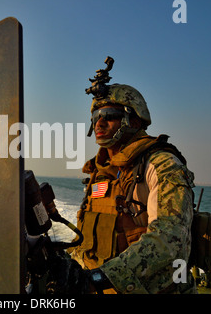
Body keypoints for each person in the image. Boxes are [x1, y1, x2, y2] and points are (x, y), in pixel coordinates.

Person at [66, 77, 197, 294]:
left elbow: (169, 241)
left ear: (134, 120)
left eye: (109, 116)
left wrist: (98, 278)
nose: (99, 123)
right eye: (96, 117)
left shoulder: (161, 165)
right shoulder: (100, 172)